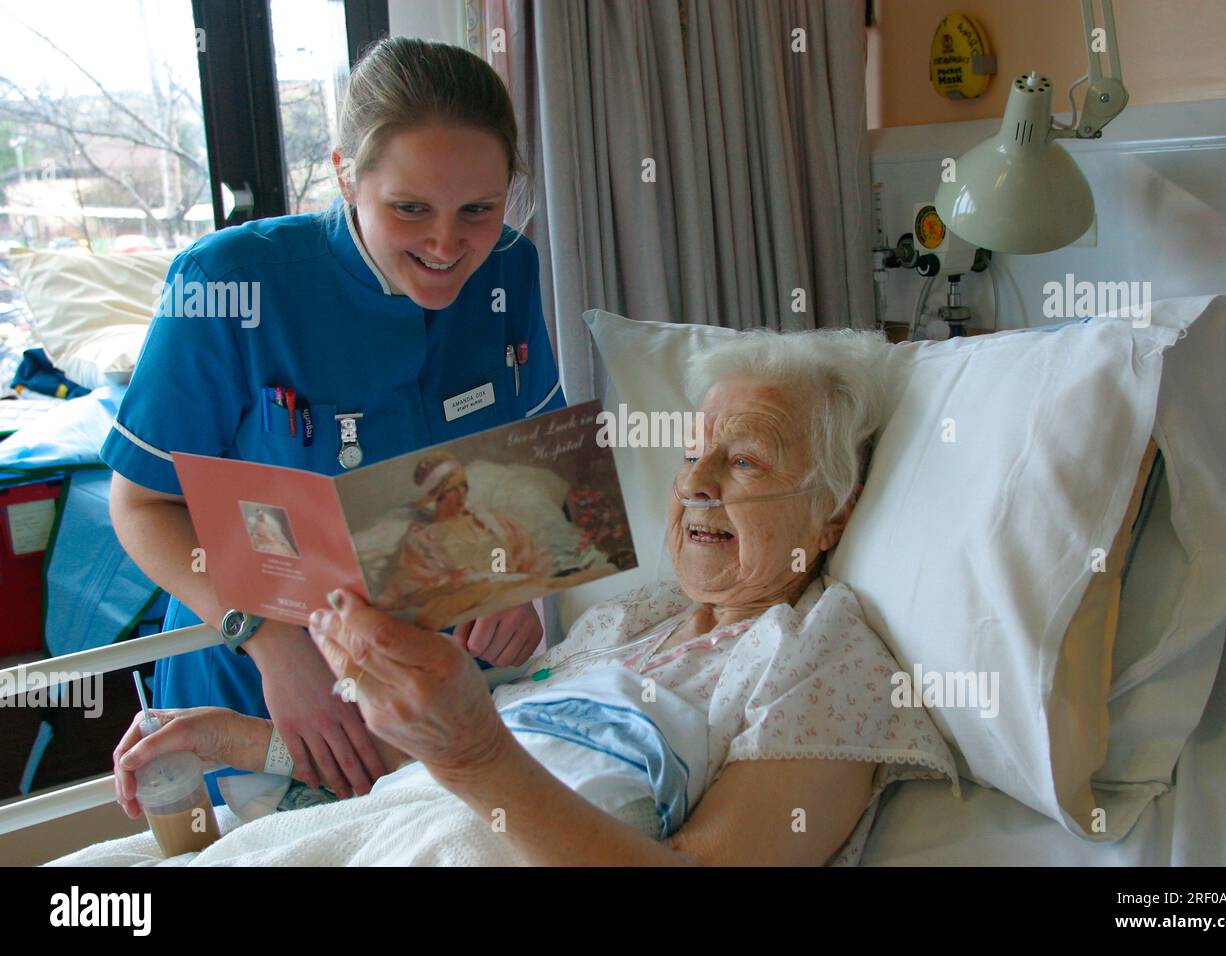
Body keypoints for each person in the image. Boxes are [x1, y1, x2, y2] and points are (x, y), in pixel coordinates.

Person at [60, 330, 961, 867]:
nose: (696, 484)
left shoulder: (824, 655)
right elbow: (426, 763)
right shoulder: (626, 619)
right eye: (694, 453)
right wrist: (235, 738)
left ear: (834, 512)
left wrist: (474, 754)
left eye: (748, 460)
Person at [101, 38, 565, 806]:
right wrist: (272, 642)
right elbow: (142, 505)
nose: (448, 245)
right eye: (410, 208)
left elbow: (526, 464)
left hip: (443, 685)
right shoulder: (229, 284)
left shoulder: (508, 267)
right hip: (261, 683)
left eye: (477, 210)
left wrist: (518, 581)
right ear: (347, 173)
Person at [374, 452, 550, 623]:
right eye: (453, 489)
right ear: (438, 494)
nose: (461, 494)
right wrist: (460, 580)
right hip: (458, 613)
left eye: (463, 486)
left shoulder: (491, 521)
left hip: (510, 601)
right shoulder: (422, 539)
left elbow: (529, 556)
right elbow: (410, 592)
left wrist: (519, 592)